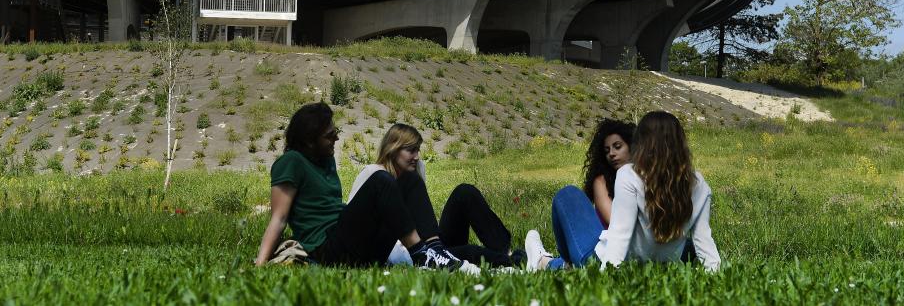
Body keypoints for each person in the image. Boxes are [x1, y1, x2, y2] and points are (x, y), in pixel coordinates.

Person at [254, 102, 474, 272]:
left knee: (408, 178)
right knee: (380, 179)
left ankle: (434, 251)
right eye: (330, 135)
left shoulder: (326, 160)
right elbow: (279, 218)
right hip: (329, 249)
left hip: (356, 247)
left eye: (335, 131)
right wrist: (260, 265)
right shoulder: (291, 162)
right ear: (310, 140)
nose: (337, 138)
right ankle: (420, 255)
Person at [526, 111, 720, 272]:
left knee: (567, 195)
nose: (612, 153)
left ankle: (551, 263)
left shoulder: (629, 175)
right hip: (658, 267)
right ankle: (560, 264)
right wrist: (716, 277)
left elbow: (619, 234)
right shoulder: (700, 185)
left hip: (606, 261)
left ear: (642, 145)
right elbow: (704, 241)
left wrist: (607, 277)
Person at [349, 123, 524, 268]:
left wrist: (431, 245)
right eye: (411, 150)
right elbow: (357, 223)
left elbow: (421, 215)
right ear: (393, 150)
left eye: (418, 150)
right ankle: (514, 262)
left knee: (465, 193)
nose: (417, 156)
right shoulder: (372, 174)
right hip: (402, 252)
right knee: (472, 252)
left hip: (430, 246)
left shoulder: (417, 169)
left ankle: (504, 251)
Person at [582, 119, 636, 227]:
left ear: (632, 147)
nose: (611, 153)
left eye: (617, 147)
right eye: (607, 151)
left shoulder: (645, 176)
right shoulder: (601, 181)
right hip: (609, 240)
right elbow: (616, 224)